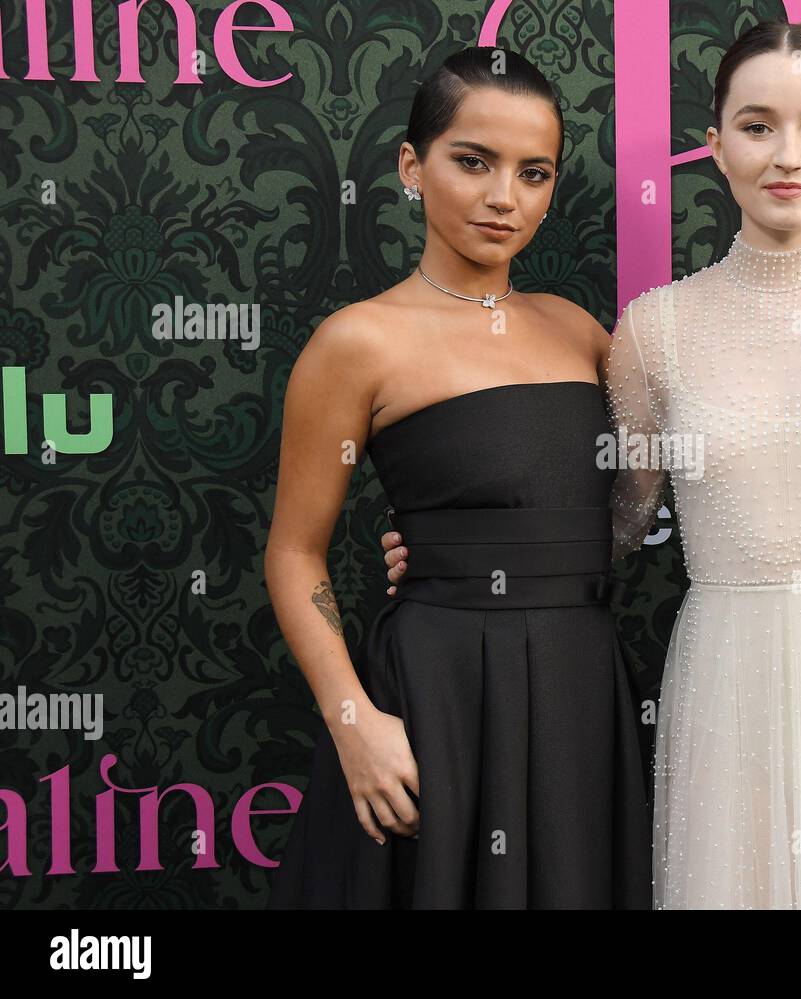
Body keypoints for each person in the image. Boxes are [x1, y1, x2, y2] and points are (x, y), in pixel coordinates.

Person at [385, 20, 801, 909]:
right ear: (715, 147)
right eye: (757, 126)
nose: (788, 155)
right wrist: (467, 548)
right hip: (726, 686)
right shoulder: (654, 331)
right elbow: (618, 526)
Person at [265, 46, 650, 909]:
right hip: (439, 692)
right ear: (412, 165)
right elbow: (294, 555)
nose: (504, 196)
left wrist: (480, 541)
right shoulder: (358, 342)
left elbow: (621, 511)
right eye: (473, 161)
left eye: (534, 171)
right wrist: (354, 720)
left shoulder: (583, 331)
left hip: (581, 689)